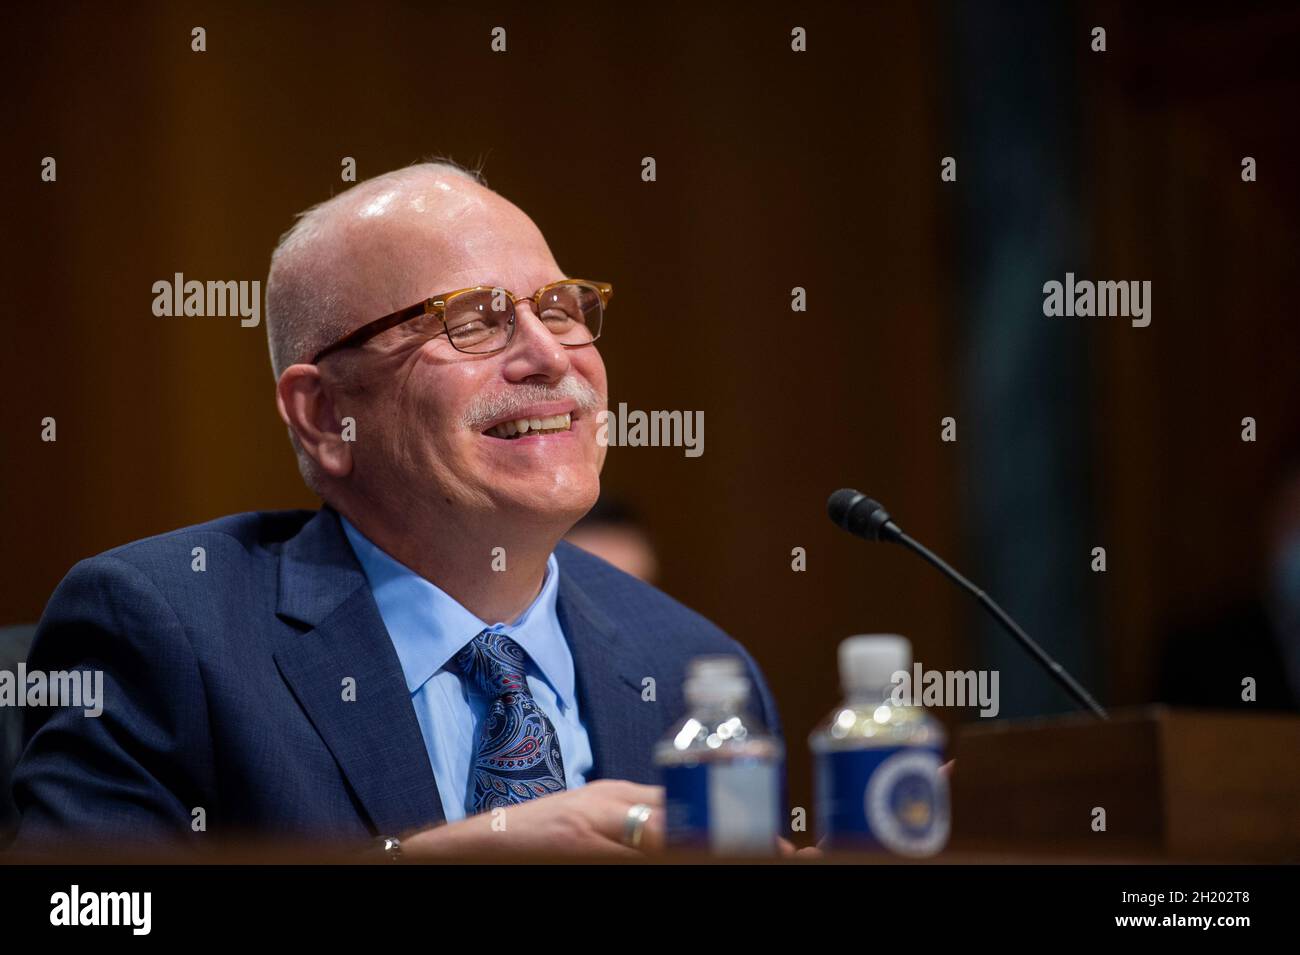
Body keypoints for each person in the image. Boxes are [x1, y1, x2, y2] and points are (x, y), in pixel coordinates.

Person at [11, 160, 783, 858]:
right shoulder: (166, 633)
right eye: (472, 319)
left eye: (559, 308)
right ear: (320, 413)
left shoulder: (689, 669)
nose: (549, 355)